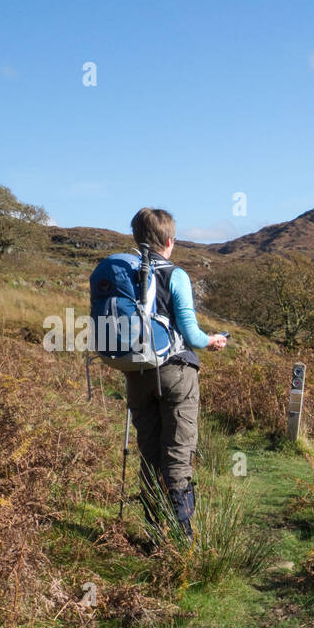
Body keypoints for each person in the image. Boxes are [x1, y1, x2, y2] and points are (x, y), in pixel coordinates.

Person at [125, 207, 227, 540]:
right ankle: (183, 539)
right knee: (178, 454)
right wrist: (212, 341)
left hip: (137, 372)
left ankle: (155, 534)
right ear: (169, 240)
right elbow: (192, 335)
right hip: (176, 372)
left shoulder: (125, 274)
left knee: (149, 454)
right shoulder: (175, 275)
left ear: (136, 238)